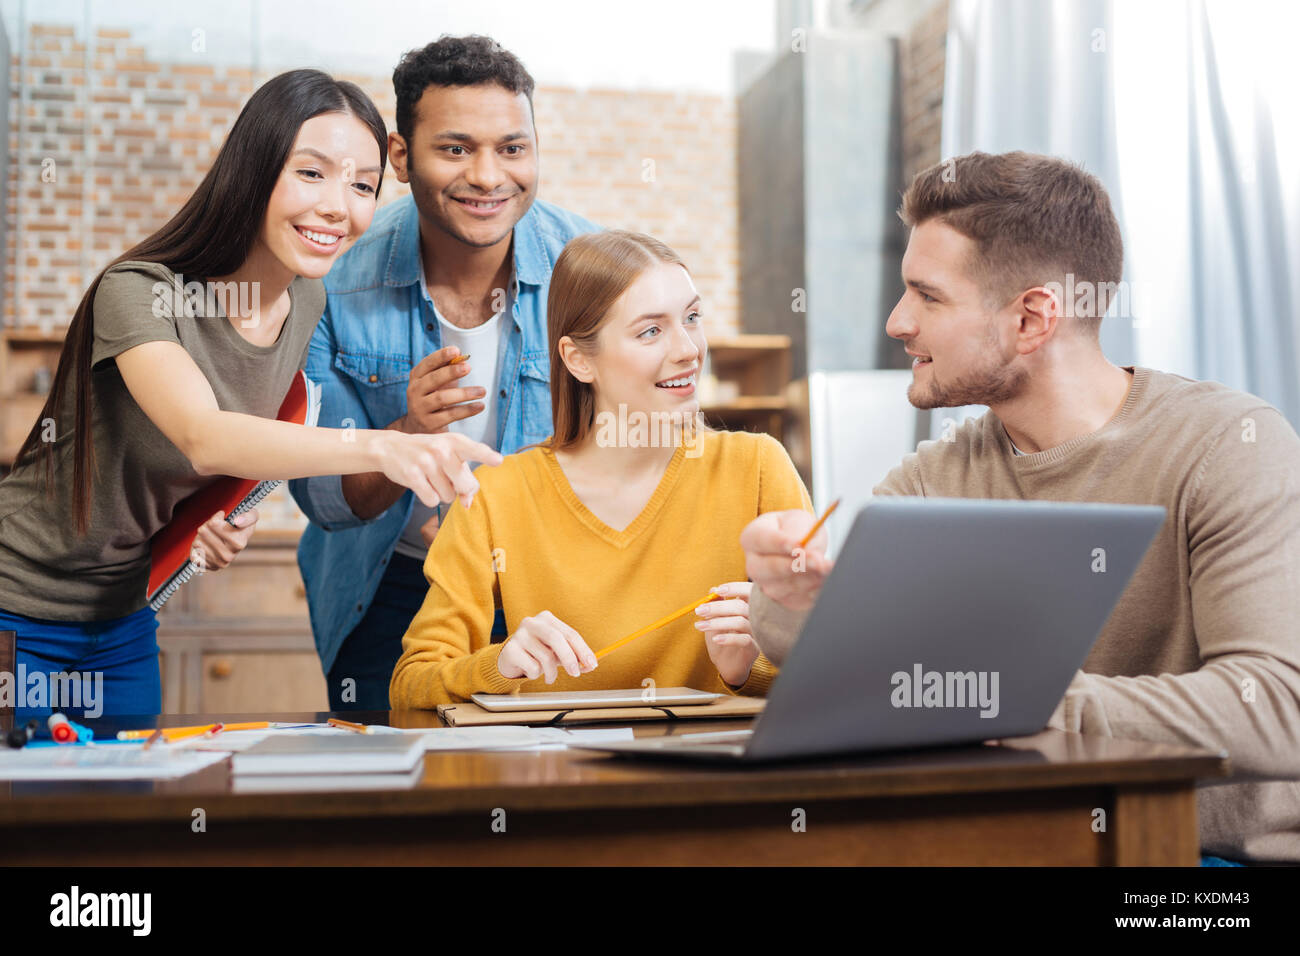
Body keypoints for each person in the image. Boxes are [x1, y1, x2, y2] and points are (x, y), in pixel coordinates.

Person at [740, 150, 1300, 864]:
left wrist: (1018, 705)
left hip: (1205, 867)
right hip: (1024, 845)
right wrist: (788, 592)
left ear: (1033, 317)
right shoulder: (936, 477)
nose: (897, 321)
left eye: (928, 296)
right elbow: (814, 649)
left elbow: (1279, 706)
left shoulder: (1228, 445)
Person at [0, 70, 499, 717]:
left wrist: (192, 522)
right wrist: (386, 447)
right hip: (16, 605)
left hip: (121, 620)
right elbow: (202, 435)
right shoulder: (142, 291)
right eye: (312, 173)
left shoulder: (305, 300)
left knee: (119, 814)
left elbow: (209, 459)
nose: (337, 207)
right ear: (254, 169)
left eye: (362, 185)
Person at [288, 36, 599, 711]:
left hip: (558, 590)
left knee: (555, 795)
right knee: (397, 801)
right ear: (400, 157)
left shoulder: (594, 271)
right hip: (391, 588)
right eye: (455, 149)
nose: (488, 176)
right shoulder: (331, 278)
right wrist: (405, 435)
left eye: (512, 149)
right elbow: (323, 500)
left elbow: (645, 443)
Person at [389, 230, 813, 708]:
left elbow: (829, 671)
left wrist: (746, 671)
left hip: (715, 778)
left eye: (692, 318)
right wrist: (499, 664)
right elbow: (411, 685)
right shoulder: (496, 493)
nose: (689, 349)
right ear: (578, 359)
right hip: (559, 777)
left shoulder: (756, 467)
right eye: (651, 331)